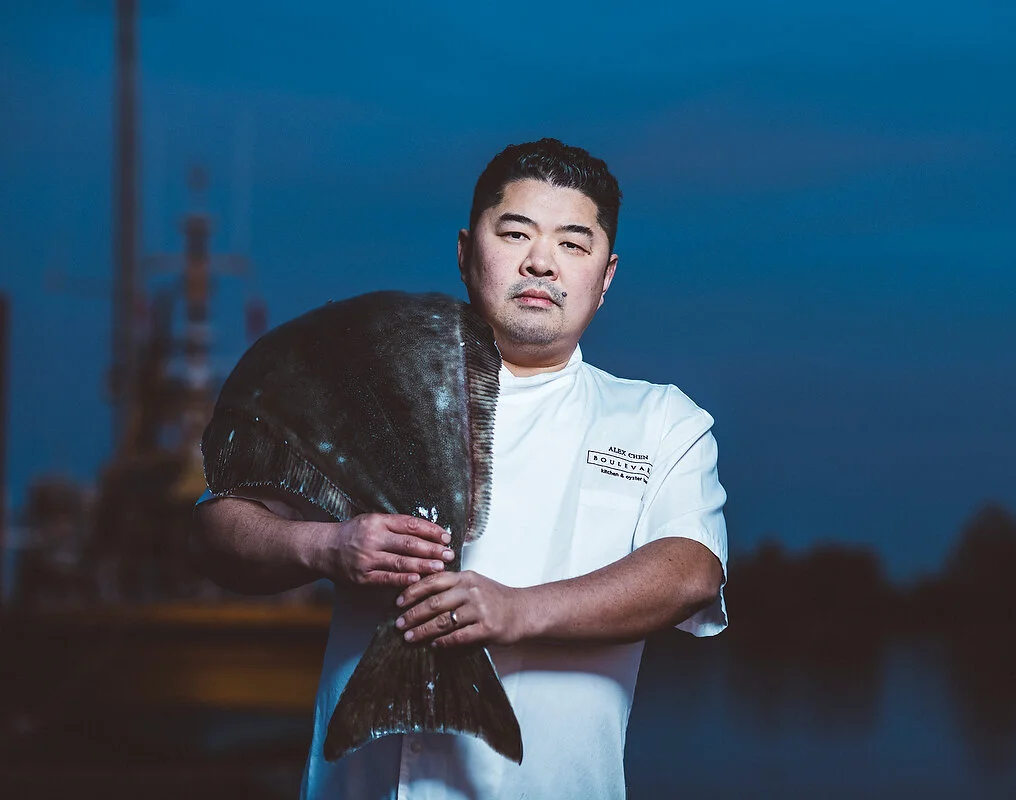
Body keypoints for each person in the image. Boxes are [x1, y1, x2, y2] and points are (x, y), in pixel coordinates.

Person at [191, 138, 728, 799]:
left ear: (606, 274)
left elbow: (692, 572)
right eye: (515, 233)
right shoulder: (365, 391)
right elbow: (215, 529)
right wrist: (326, 545)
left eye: (572, 243)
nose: (541, 262)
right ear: (466, 254)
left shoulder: (659, 419)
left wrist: (514, 610)